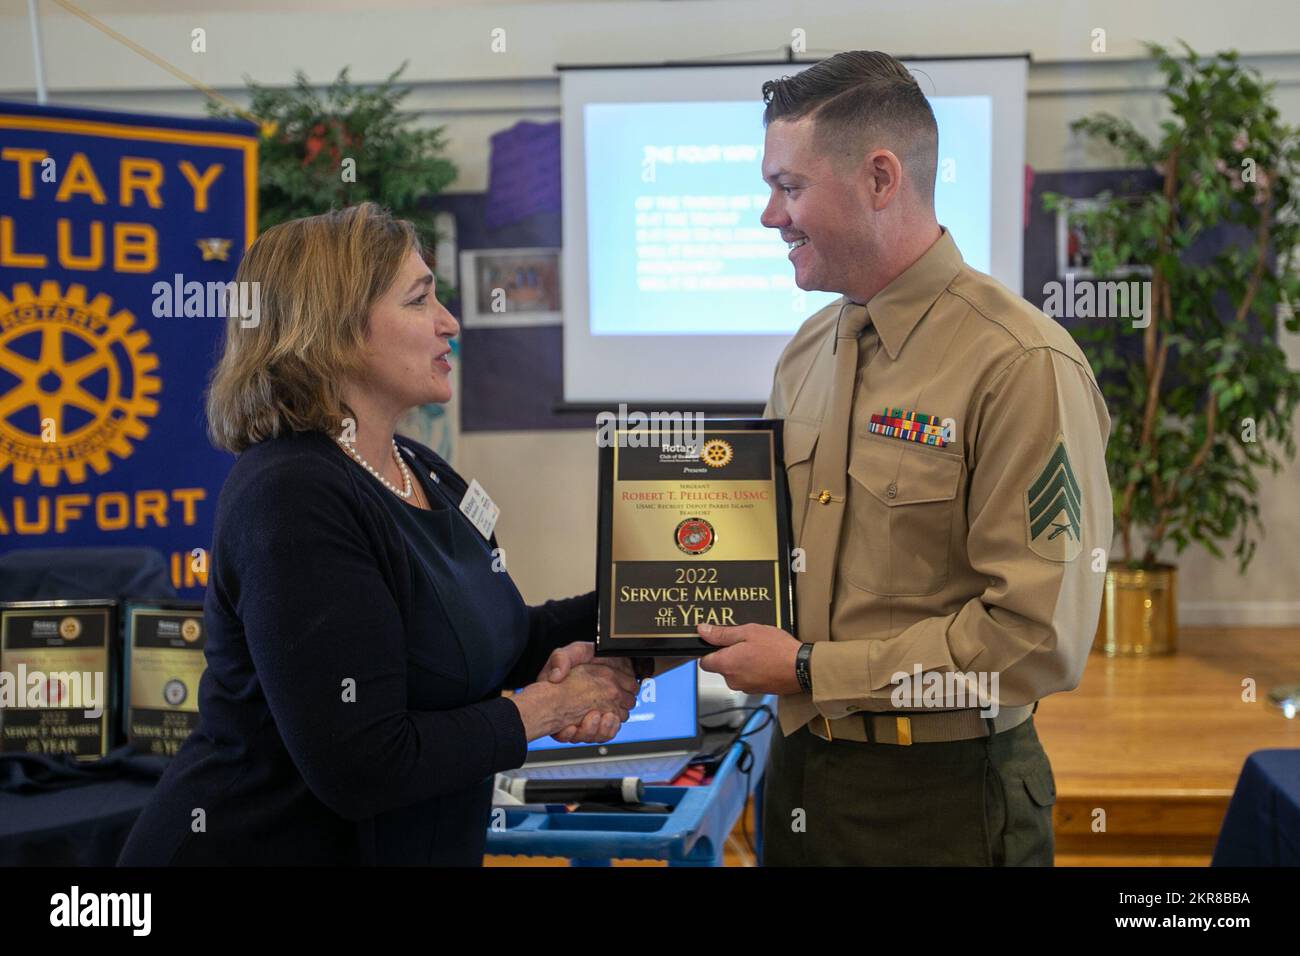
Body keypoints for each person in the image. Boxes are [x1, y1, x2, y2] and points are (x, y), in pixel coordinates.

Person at [118, 202, 639, 866]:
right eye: (421, 300)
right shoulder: (293, 493)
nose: (449, 321)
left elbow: (500, 643)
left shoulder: (420, 468)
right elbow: (362, 764)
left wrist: (670, 599)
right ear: (334, 330)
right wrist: (547, 708)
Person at [696, 51, 1113, 865]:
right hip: (803, 775)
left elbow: (1036, 640)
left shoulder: (1021, 364)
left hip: (945, 795)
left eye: (789, 187)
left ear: (880, 177)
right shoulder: (809, 350)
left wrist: (815, 668)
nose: (769, 217)